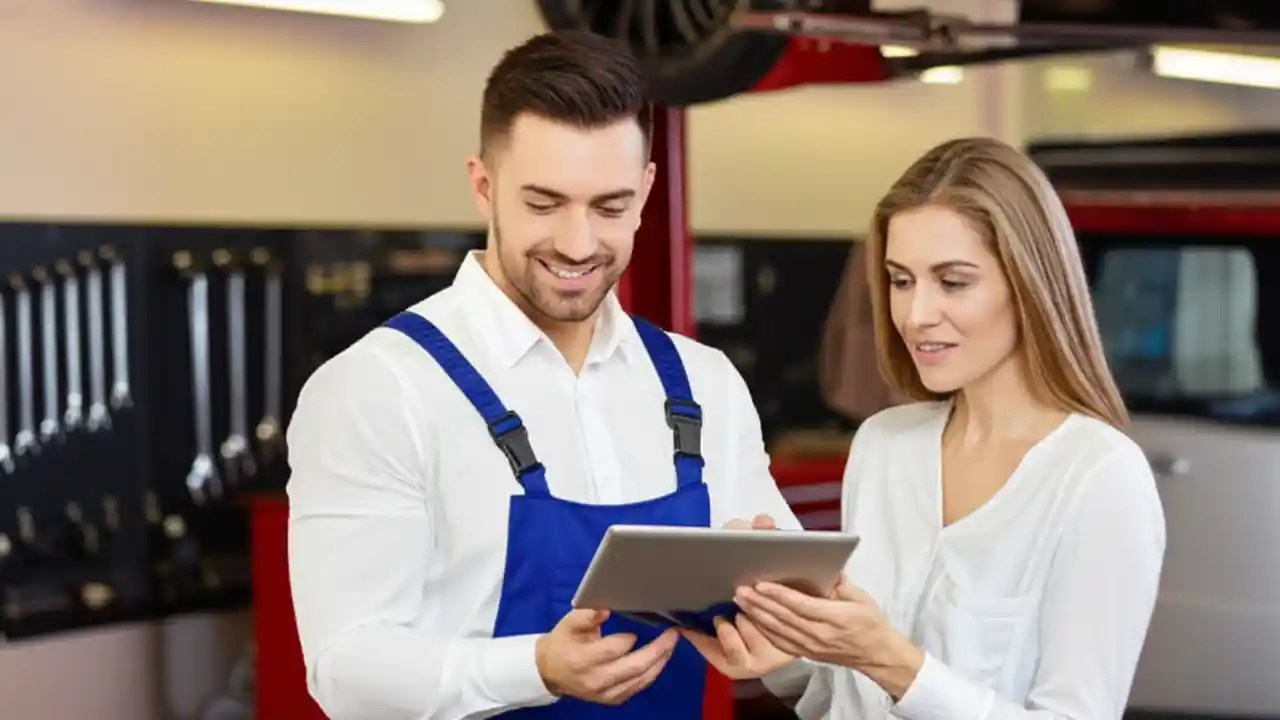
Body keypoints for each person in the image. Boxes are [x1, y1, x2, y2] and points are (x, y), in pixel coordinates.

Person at [284, 29, 801, 720]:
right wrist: (536, 668)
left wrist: (778, 625)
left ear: (646, 191)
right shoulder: (378, 389)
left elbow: (793, 605)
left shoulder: (705, 384)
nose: (577, 244)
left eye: (610, 207)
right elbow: (346, 669)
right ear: (483, 186)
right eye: (544, 203)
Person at [682, 137, 1167, 719]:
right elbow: (842, 696)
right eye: (901, 281)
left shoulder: (1099, 476)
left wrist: (891, 660)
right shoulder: (884, 445)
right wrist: (783, 643)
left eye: (953, 282)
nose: (915, 316)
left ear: (1029, 285)